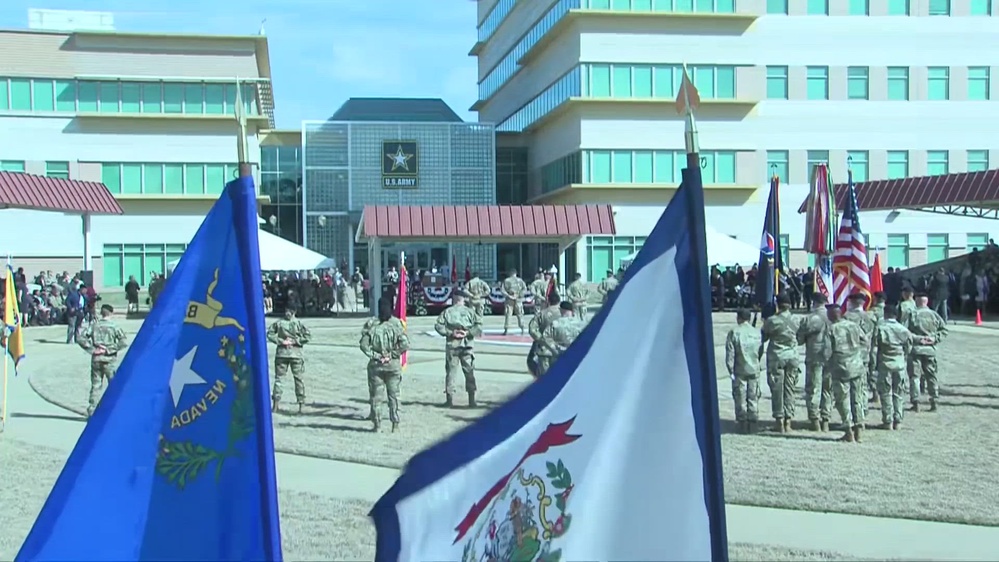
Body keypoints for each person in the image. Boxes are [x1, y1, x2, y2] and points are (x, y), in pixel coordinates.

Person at [360, 297, 409, 432]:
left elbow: (364, 345)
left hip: (376, 366)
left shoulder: (371, 324)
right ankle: (395, 424)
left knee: (377, 397)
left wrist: (376, 356)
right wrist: (392, 355)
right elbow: (405, 344)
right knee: (394, 396)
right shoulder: (397, 324)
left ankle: (377, 425)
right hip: (392, 365)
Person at [825, 303, 867, 443]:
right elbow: (865, 341)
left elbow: (827, 351)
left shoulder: (831, 329)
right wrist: (858, 355)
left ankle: (848, 430)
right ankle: (859, 431)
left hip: (841, 368)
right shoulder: (853, 325)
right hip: (857, 366)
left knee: (842, 399)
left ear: (832, 315)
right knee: (857, 399)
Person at [78, 304, 128, 418]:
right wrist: (109, 349)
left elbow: (80, 338)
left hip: (96, 358)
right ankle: (114, 410)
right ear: (111, 313)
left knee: (96, 385)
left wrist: (92, 349)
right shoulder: (114, 326)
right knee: (114, 385)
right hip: (109, 360)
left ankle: (92, 410)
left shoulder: (94, 326)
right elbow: (124, 342)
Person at [434, 290, 482, 408]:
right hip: (467, 346)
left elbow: (438, 326)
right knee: (469, 372)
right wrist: (468, 333)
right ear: (463, 299)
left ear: (454, 299)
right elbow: (479, 326)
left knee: (451, 372)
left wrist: (451, 333)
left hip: (453, 346)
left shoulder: (447, 312)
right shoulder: (471, 312)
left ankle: (449, 400)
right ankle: (472, 400)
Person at [760, 294, 800, 433]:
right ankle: (788, 421)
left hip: (777, 356)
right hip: (793, 356)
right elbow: (800, 337)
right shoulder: (797, 319)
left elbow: (764, 336)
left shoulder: (772, 320)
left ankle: (779, 421)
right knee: (790, 389)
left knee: (777, 389)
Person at [906, 294, 948, 412]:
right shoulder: (934, 315)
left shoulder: (912, 314)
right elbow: (944, 330)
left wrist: (917, 339)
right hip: (930, 350)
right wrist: (935, 338)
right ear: (927, 301)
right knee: (931, 376)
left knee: (915, 376)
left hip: (916, 350)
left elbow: (905, 331)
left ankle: (916, 402)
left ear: (916, 301)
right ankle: (934, 400)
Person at [267, 303, 312, 414]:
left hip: (282, 353)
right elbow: (308, 336)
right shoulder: (299, 323)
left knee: (280, 379)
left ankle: (276, 405)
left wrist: (281, 341)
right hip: (295, 354)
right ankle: (301, 404)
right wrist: (296, 341)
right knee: (298, 380)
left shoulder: (279, 323)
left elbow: (270, 334)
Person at [796, 292, 831, 431]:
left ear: (813, 302)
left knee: (813, 388)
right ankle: (826, 419)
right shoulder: (833, 316)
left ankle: (815, 419)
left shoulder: (809, 319)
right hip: (830, 357)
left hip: (814, 356)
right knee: (828, 389)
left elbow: (799, 340)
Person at [874, 304, 913, 430]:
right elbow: (908, 348)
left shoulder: (880, 328)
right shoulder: (903, 330)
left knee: (885, 393)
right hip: (900, 364)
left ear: (885, 314)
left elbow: (875, 347)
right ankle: (898, 420)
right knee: (898, 393)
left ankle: (887, 421)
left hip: (885, 363)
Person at [725, 309, 762, 433]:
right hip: (754, 368)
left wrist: (730, 370)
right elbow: (760, 351)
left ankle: (742, 423)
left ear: (739, 317)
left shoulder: (734, 332)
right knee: (753, 396)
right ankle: (753, 422)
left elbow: (730, 354)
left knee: (740, 396)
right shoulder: (756, 332)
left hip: (740, 369)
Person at [844, 293, 877, 402]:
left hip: (851, 352)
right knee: (863, 377)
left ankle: (853, 401)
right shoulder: (871, 316)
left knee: (849, 378)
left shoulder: (847, 317)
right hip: (866, 351)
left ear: (852, 303)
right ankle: (863, 401)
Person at [528, 291, 562, 378]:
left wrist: (542, 340)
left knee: (544, 378)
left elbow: (532, 329)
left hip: (544, 350)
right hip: (560, 350)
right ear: (559, 301)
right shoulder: (563, 313)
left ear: (548, 301)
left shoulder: (542, 314)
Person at [540, 301, 583, 367]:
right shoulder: (581, 324)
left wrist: (556, 349)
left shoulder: (555, 324)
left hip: (559, 357)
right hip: (577, 356)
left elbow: (545, 338)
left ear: (561, 310)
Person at [501, 269, 527, 336]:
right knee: (520, 314)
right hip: (518, 299)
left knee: (508, 314)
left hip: (509, 299)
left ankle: (506, 330)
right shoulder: (520, 281)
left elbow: (502, 290)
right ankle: (522, 329)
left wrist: (508, 295)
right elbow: (524, 289)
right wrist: (520, 295)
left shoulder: (506, 281)